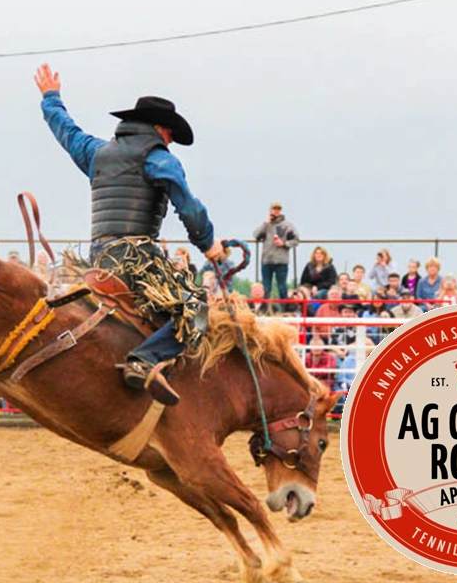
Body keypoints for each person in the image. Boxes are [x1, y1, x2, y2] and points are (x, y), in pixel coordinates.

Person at [35, 63, 224, 405]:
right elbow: (189, 208)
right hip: (136, 260)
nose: (170, 141)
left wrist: (51, 98)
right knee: (194, 307)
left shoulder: (97, 152)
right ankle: (146, 359)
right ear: (158, 128)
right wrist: (208, 244)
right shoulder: (159, 159)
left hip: (98, 257)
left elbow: (66, 130)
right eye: (169, 134)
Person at [253, 201, 299, 306]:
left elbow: (296, 240)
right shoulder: (266, 225)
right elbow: (256, 235)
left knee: (282, 287)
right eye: (274, 209)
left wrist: (284, 243)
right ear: (270, 211)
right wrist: (265, 223)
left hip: (281, 260)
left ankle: (285, 309)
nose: (276, 211)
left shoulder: (287, 225)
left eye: (278, 209)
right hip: (266, 260)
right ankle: (265, 309)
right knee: (266, 288)